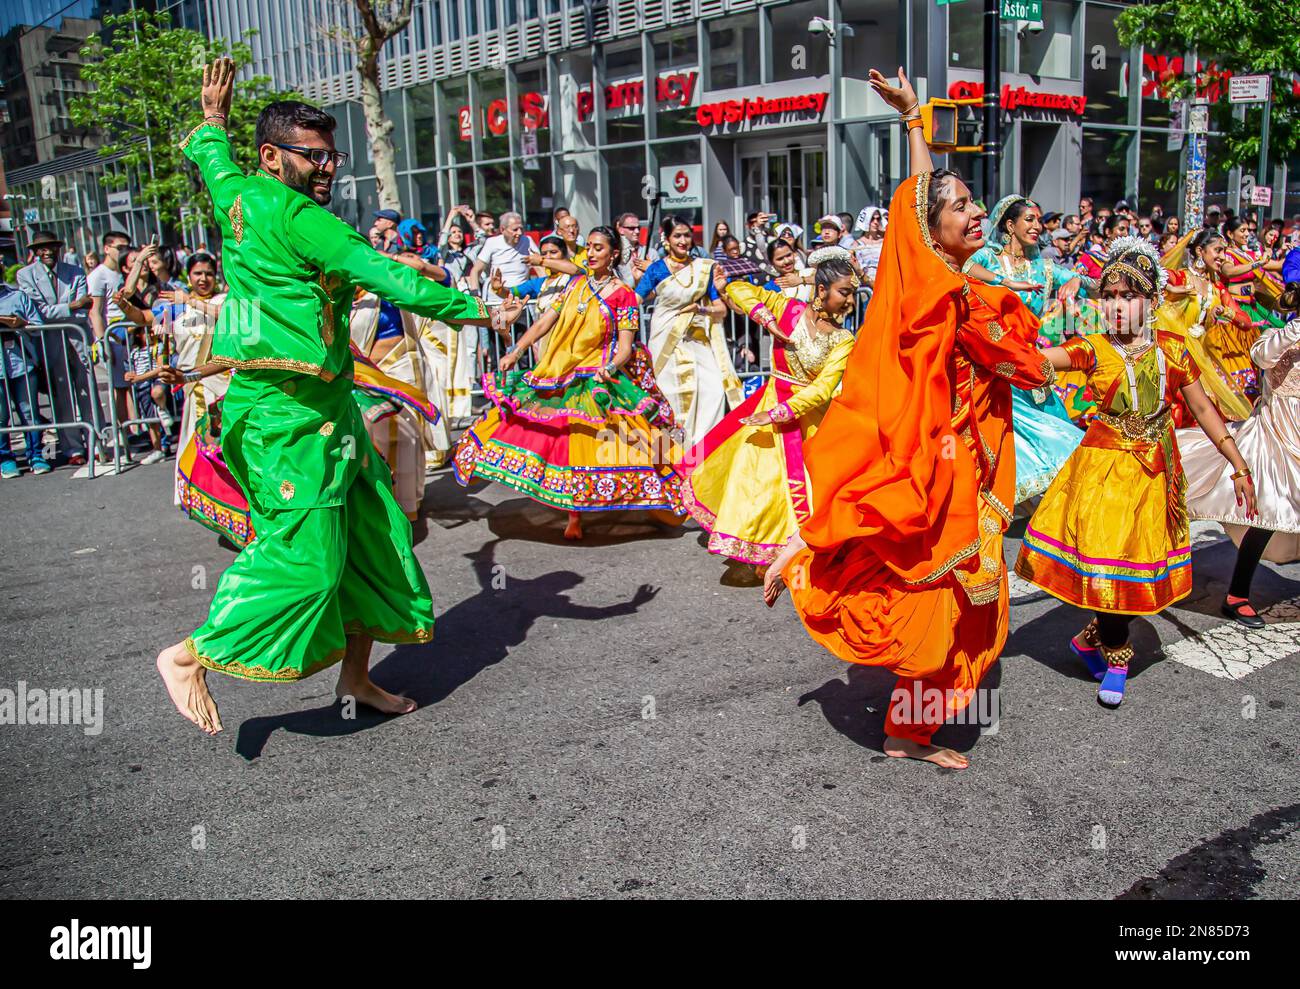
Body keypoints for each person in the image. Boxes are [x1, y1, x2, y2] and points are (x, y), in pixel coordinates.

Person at [154, 58, 520, 735]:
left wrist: (212, 119)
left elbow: (212, 161)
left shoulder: (237, 190)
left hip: (327, 410)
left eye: (331, 157)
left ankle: (356, 675)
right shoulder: (298, 216)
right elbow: (382, 272)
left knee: (375, 541)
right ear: (273, 157)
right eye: (313, 156)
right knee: (310, 559)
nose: (326, 169)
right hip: (284, 418)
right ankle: (190, 653)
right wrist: (471, 309)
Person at [763, 68, 1057, 769]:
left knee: (960, 594)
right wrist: (914, 126)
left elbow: (1024, 356)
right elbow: (915, 216)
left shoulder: (965, 289)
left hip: (963, 468)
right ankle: (903, 723)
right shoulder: (931, 291)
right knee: (935, 597)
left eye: (974, 200)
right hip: (937, 471)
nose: (974, 211)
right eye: (958, 207)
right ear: (931, 233)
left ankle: (904, 716)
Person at [1017, 237, 1256, 708]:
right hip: (1102, 472)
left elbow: (1203, 408)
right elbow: (1046, 361)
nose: (1116, 305)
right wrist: (997, 352)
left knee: (1135, 575)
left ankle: (1089, 639)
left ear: (1149, 301)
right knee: (1107, 565)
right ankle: (1118, 655)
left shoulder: (1172, 350)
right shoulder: (1094, 346)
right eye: (1108, 296)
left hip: (1152, 475)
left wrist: (1238, 462)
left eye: (1128, 296)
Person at [453, 226, 685, 541]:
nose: (590, 253)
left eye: (598, 248)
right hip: (560, 371)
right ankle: (573, 513)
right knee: (561, 440)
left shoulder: (623, 294)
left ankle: (655, 493)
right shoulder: (575, 285)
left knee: (621, 439)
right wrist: (516, 350)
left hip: (598, 374)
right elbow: (545, 320)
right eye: (588, 246)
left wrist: (611, 366)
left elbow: (626, 346)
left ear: (613, 253)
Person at [682, 248, 855, 571]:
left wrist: (777, 414)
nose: (850, 302)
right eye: (844, 292)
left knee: (809, 490)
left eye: (853, 294)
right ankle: (760, 550)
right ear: (821, 290)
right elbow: (737, 289)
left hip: (808, 419)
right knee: (757, 482)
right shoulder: (787, 309)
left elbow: (821, 389)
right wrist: (767, 319)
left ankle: (798, 554)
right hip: (770, 399)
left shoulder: (844, 339)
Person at [1178, 283, 1300, 627]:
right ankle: (1236, 595)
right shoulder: (1279, 337)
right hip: (1274, 438)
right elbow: (1261, 356)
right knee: (1266, 516)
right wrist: (1296, 327)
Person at [962, 195, 1091, 499]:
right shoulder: (987, 258)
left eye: (1038, 220)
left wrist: (1075, 280)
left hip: (1028, 363)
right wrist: (1006, 282)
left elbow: (1080, 278)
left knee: (1055, 431)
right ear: (1010, 225)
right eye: (1029, 219)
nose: (1036, 226)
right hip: (992, 362)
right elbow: (963, 268)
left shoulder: (1043, 268)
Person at [632, 215, 742, 446]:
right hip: (666, 341)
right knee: (672, 392)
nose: (683, 241)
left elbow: (720, 309)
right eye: (677, 236)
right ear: (667, 239)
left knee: (713, 389)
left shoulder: (705, 268)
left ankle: (703, 449)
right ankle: (673, 449)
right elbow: (634, 300)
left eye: (686, 235)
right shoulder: (657, 270)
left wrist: (701, 310)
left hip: (697, 340)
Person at [1157, 229, 1257, 425]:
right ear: (1200, 251)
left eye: (1224, 252)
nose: (1222, 257)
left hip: (1204, 357)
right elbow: (1148, 275)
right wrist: (1171, 288)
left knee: (1207, 413)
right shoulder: (1180, 277)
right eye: (1217, 250)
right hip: (1176, 355)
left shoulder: (1217, 288)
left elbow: (1246, 322)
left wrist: (1225, 312)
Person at [17, 229, 98, 465]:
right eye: (41, 248)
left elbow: (86, 306)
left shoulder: (74, 271)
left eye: (51, 247)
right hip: (51, 341)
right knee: (61, 394)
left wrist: (72, 308)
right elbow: (39, 313)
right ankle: (73, 449)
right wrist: (72, 305)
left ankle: (96, 441)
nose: (47, 252)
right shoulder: (25, 275)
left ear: (58, 249)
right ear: (34, 252)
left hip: (78, 337)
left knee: (88, 390)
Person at [86, 230, 134, 459]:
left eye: (127, 246)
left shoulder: (125, 272)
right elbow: (95, 311)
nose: (124, 251)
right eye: (119, 247)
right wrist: (102, 341)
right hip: (113, 338)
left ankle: (132, 432)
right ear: (107, 248)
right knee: (120, 389)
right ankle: (122, 437)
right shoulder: (99, 275)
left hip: (132, 336)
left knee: (132, 386)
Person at [0, 282, 50, 477]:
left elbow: (38, 327)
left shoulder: (17, 296)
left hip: (21, 363)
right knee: (1, 416)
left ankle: (36, 455)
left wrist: (21, 324)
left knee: (29, 412)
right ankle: (6, 459)